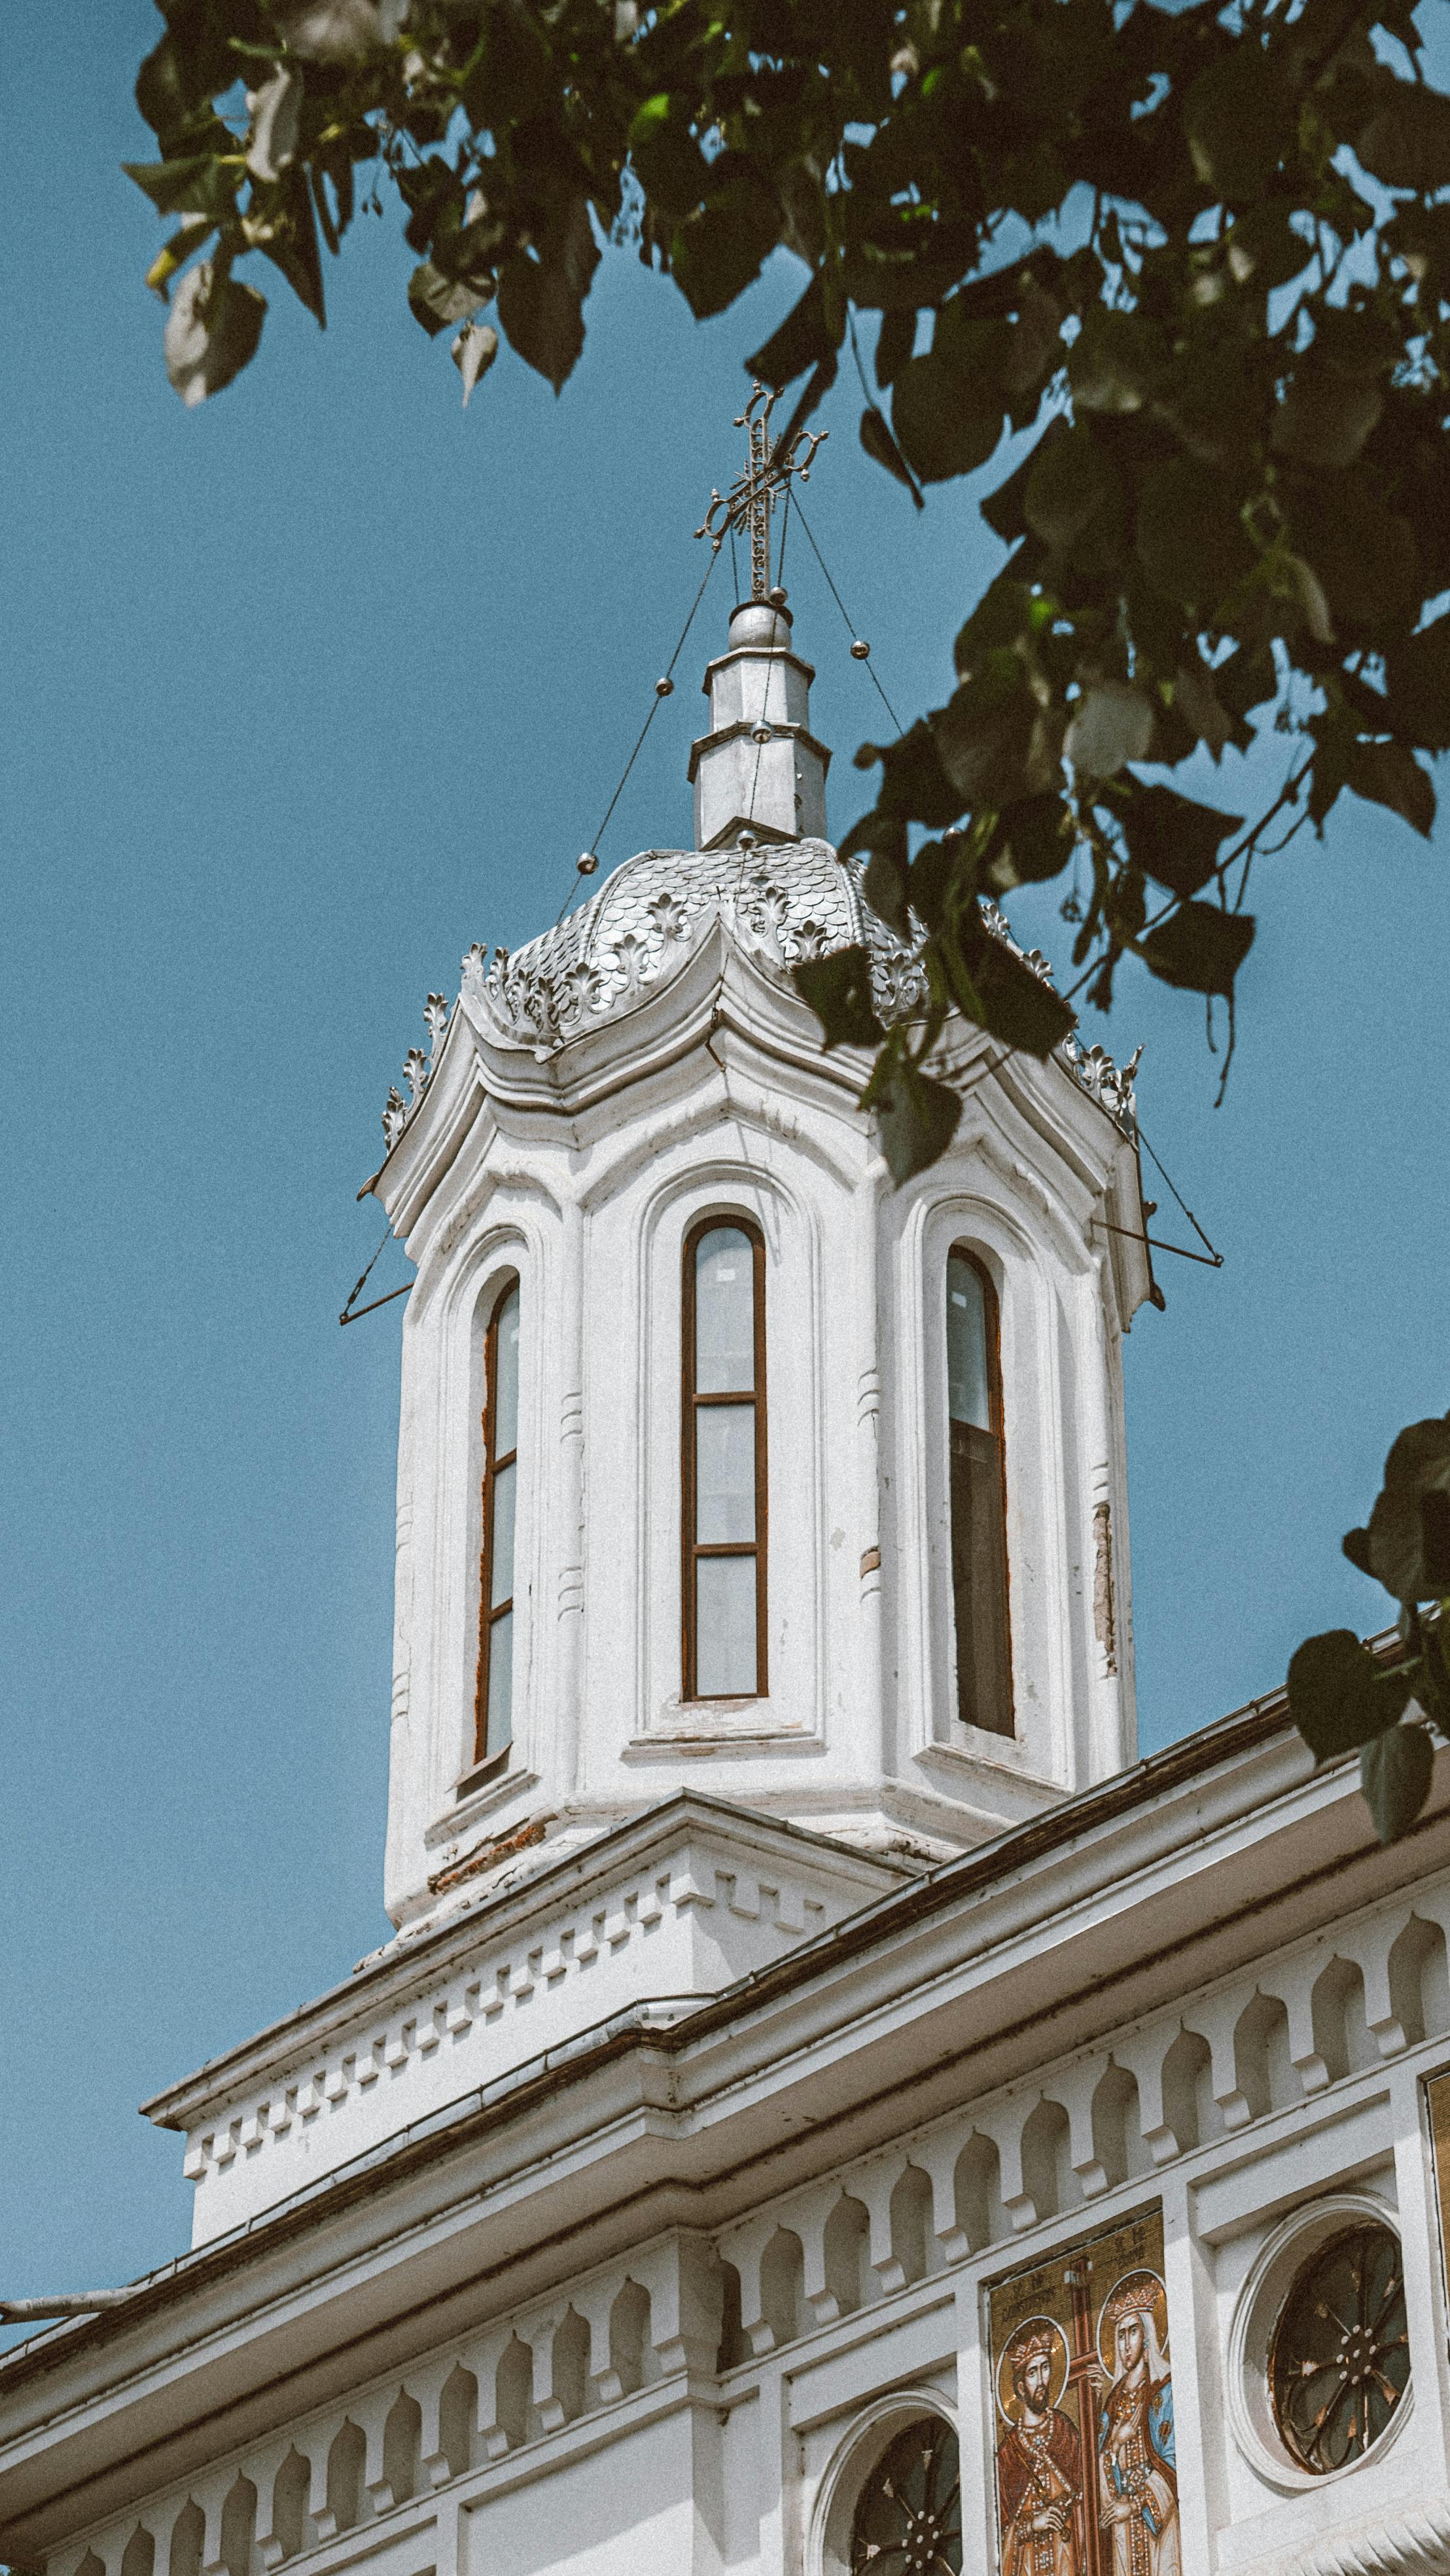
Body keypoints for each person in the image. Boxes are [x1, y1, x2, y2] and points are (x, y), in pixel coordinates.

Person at [1097, 2274, 1179, 2576]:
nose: (1126, 2344)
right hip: (1122, 2527)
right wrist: (1117, 2442)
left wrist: (1134, 2505)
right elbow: (1102, 2472)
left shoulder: (1162, 2392)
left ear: (1146, 2335)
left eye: (1133, 2332)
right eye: (1121, 2335)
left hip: (1157, 2518)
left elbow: (1173, 2461)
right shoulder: (1112, 2406)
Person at [996, 2321, 1084, 2576]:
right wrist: (1032, 2525)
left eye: (1045, 2368)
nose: (1042, 2380)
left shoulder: (1064, 2430)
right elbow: (1000, 2529)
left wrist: (1067, 2506)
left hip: (1068, 2558)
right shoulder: (1008, 2453)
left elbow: (1087, 2494)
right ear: (1021, 2387)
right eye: (1033, 2373)